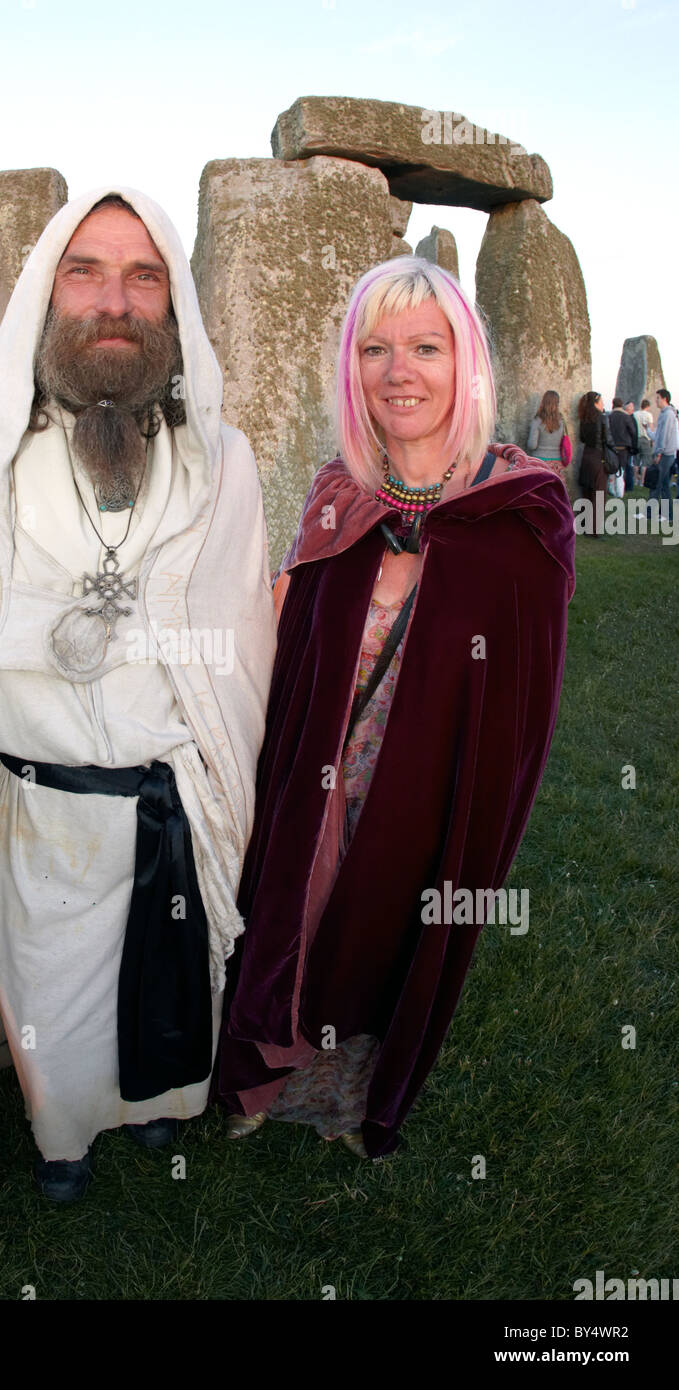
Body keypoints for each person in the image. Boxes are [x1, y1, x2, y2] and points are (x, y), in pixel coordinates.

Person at [0, 188, 275, 1206]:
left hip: (172, 804)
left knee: (171, 987)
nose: (112, 301)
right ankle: (64, 1138)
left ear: (174, 306)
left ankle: (161, 1107)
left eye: (142, 276)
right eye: (84, 272)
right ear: (47, 294)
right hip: (40, 814)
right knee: (54, 1001)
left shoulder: (224, 468)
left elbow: (238, 658)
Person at [218, 256, 574, 1160]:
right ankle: (265, 1070)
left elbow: (522, 698)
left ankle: (349, 1096)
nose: (397, 372)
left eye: (424, 346)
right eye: (374, 349)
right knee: (293, 914)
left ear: (466, 364)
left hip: (430, 783)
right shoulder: (340, 492)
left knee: (387, 933)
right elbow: (287, 631)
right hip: (318, 774)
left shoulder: (523, 512)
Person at [576, 391, 612, 533]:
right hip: (598, 455)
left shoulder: (583, 418)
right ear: (596, 403)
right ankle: (595, 529)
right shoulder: (602, 418)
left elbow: (582, 438)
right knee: (599, 492)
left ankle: (584, 524)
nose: (603, 404)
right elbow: (608, 439)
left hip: (587, 455)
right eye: (601, 401)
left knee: (587, 490)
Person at [650, 387, 677, 519]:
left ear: (664, 399)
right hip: (665, 453)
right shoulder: (664, 414)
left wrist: (659, 453)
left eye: (658, 398)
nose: (656, 401)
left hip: (665, 454)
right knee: (665, 485)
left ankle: (649, 513)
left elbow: (664, 436)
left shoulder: (668, 414)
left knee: (656, 483)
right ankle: (668, 514)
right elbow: (658, 435)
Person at [526, 390, 569, 466]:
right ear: (557, 404)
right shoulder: (561, 421)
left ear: (543, 402)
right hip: (557, 463)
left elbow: (532, 445)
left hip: (539, 462)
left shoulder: (537, 420)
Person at [608, 397, 638, 492]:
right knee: (622, 468)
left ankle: (612, 488)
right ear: (622, 405)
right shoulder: (626, 417)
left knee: (612, 468)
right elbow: (633, 432)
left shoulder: (609, 416)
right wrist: (634, 445)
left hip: (612, 446)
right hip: (624, 446)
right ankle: (620, 490)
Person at [635, 397, 654, 486]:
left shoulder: (635, 414)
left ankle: (635, 480)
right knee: (645, 461)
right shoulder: (649, 415)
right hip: (646, 438)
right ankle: (642, 481)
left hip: (636, 438)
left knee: (636, 461)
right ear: (648, 406)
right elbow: (650, 428)